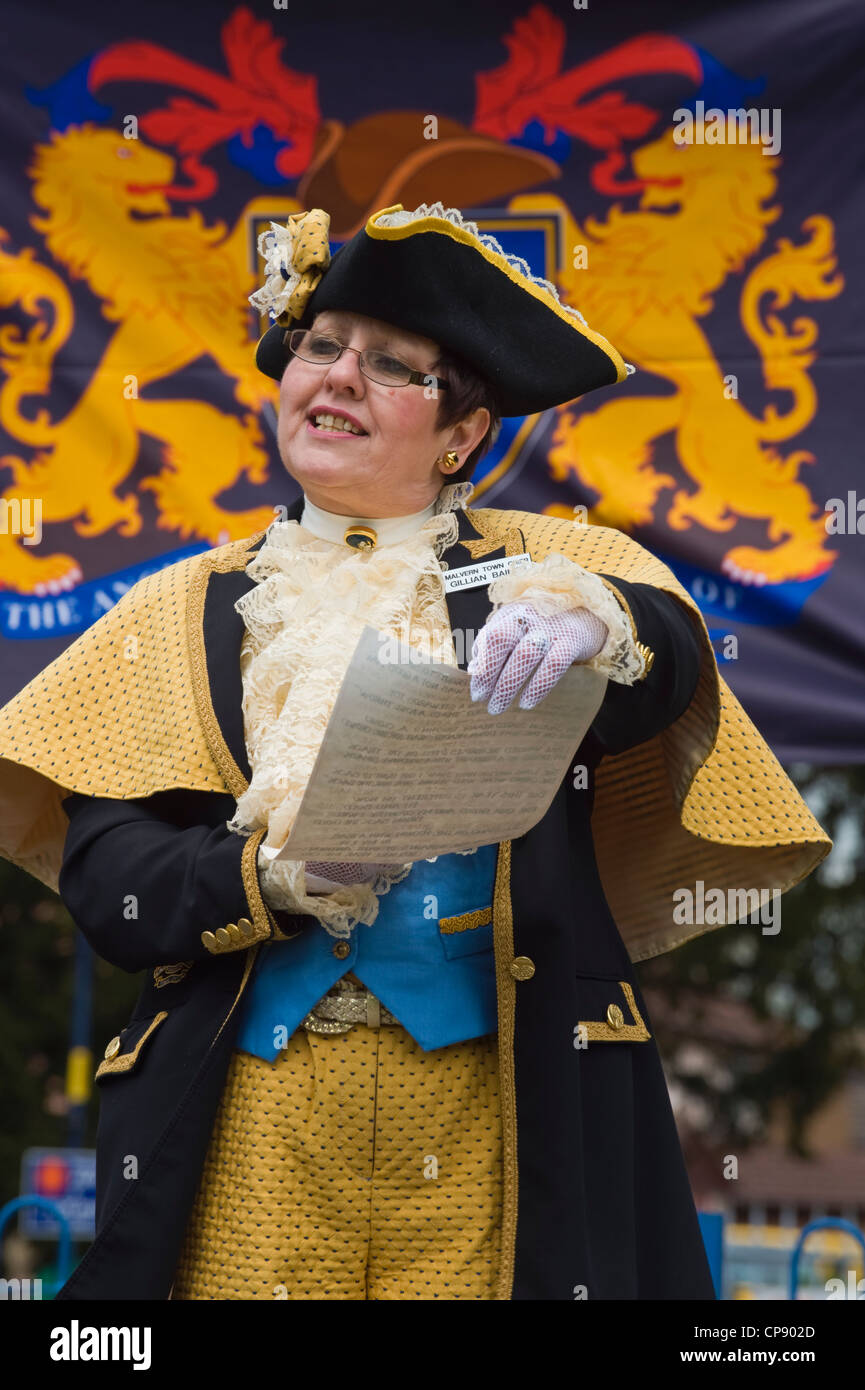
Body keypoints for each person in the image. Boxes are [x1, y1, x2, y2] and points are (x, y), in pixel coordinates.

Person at [0, 202, 831, 1301]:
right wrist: (270, 874)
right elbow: (112, 884)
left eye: (392, 365)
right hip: (253, 1112)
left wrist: (598, 626)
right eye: (321, 346)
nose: (337, 376)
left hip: (499, 1111)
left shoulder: (551, 568)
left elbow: (667, 663)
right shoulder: (176, 608)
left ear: (462, 436)